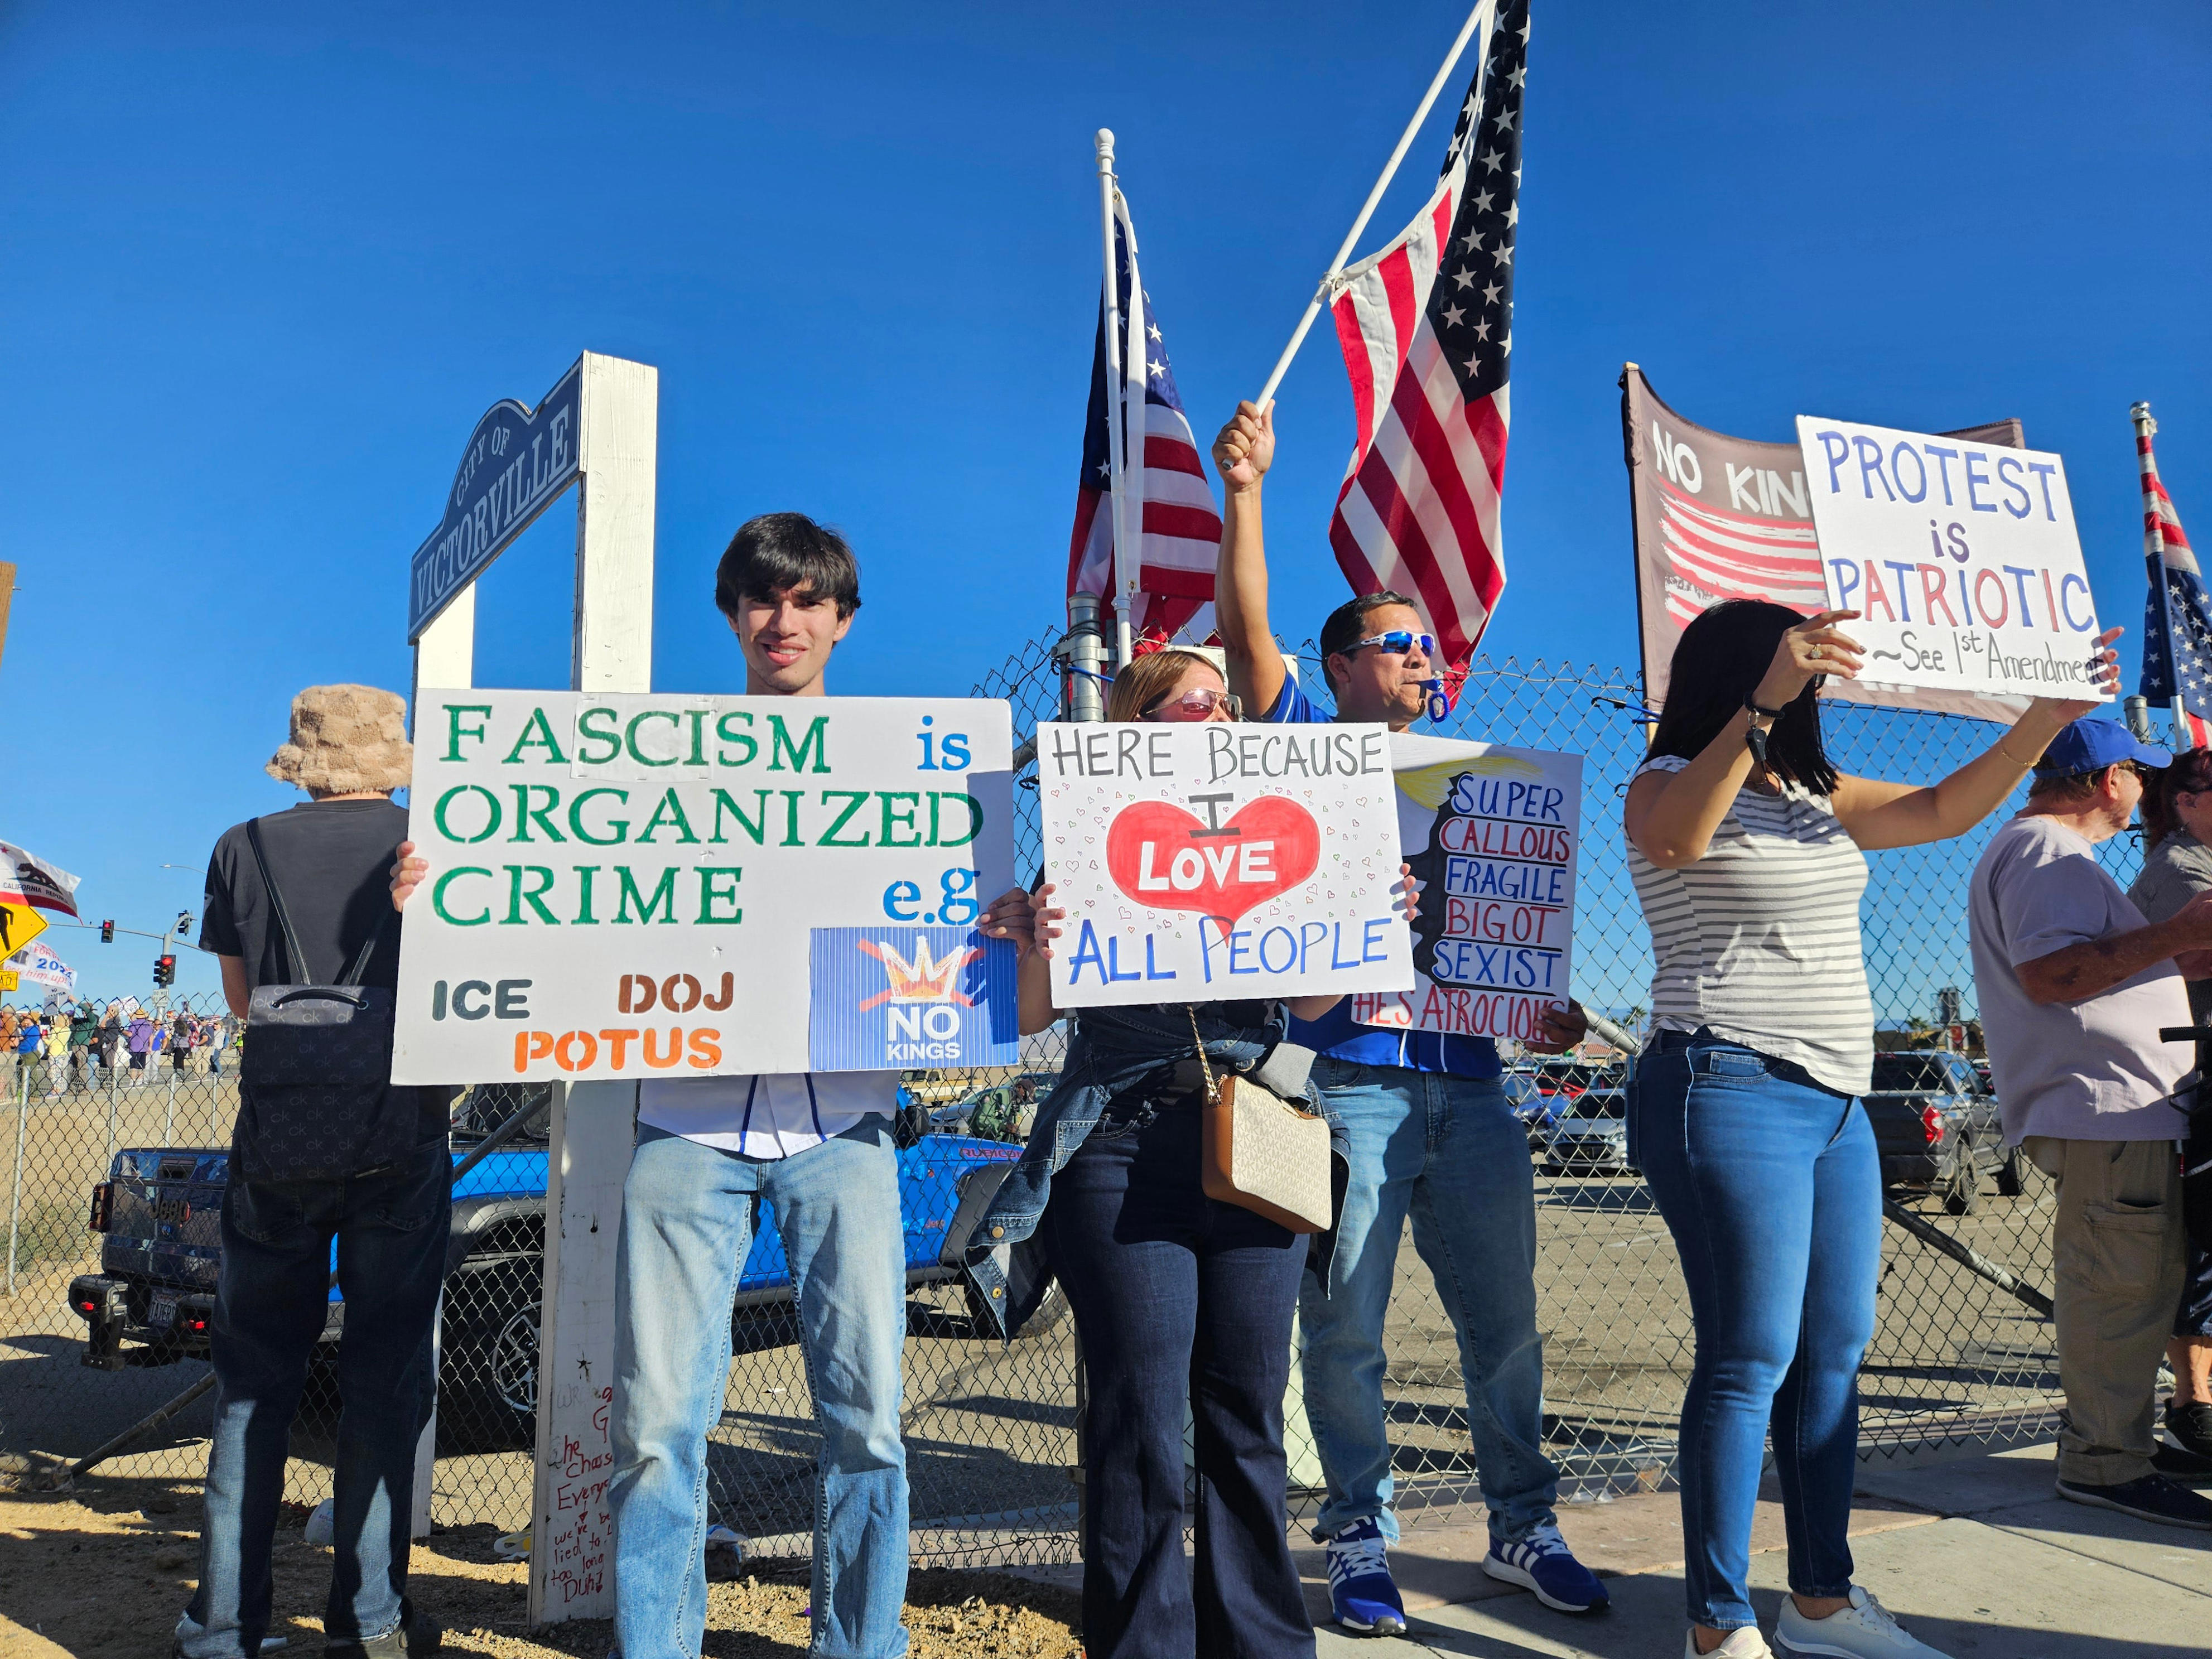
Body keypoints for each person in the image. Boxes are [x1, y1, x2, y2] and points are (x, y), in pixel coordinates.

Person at [393, 513, 1030, 1659]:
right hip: (683, 1128)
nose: (782, 621)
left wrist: (1012, 933)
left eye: (806, 601)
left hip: (845, 1127)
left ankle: (857, 1642)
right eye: (760, 599)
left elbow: (1000, 998)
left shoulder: (914, 787)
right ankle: (658, 1644)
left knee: (868, 1419)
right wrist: (454, 888)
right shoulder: (655, 770)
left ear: (842, 618)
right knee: (657, 1425)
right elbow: (550, 895)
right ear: (734, 614)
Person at [1626, 601, 2126, 1658]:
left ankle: (1818, 1602)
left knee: (1833, 1354)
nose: (1816, 674)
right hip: (1723, 1077)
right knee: (1748, 1353)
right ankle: (1714, 1626)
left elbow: (1946, 807)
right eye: (1794, 659)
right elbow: (1677, 839)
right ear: (1741, 668)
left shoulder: (1816, 794)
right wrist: (1760, 701)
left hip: (1839, 1100)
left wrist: (2045, 715)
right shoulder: (1664, 777)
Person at [1208, 401, 1607, 1628]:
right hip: (1347, 1079)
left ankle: (1521, 1524)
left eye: (1426, 646)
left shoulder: (1476, 777)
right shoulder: (1303, 747)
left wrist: (1542, 1003)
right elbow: (1246, 631)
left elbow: (1504, 950)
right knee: (1347, 1328)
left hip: (1475, 1082)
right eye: (1392, 644)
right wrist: (1247, 494)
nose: (1419, 660)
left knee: (1506, 1326)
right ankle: (1359, 1532)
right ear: (1337, 667)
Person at [970, 645, 1396, 1659]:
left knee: (1245, 1407)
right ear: (1134, 724)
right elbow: (1032, 1011)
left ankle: (1262, 1642)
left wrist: (1366, 922)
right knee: (1141, 1417)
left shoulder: (1283, 834)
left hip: (1253, 1141)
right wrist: (1034, 935)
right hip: (1115, 1148)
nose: (1211, 713)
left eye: (1222, 702)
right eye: (1183, 701)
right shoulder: (1080, 839)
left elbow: (1315, 1002)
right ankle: (1143, 1646)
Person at [175, 684, 454, 1659]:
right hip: (403, 1133)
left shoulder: (240, 847)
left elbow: (247, 1005)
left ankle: (223, 1627)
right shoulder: (430, 847)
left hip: (280, 1141)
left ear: (301, 758)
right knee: (382, 1384)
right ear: (391, 759)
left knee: (253, 1386)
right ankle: (370, 1619)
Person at [1969, 718, 2212, 1531]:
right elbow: (2050, 974)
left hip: (2116, 1111)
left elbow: (2080, 968)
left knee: (2133, 1283)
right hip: (2104, 1109)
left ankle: (2120, 1447)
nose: (2144, 792)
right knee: (2117, 1286)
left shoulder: (2042, 852)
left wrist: (2171, 956)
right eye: (2138, 775)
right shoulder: (2048, 851)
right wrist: (2176, 935)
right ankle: (2105, 1464)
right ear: (2107, 779)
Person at [2128, 745, 2212, 1467]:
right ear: (2186, 801)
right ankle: (2193, 1407)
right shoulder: (2182, 871)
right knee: (2200, 1249)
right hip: (2194, 1083)